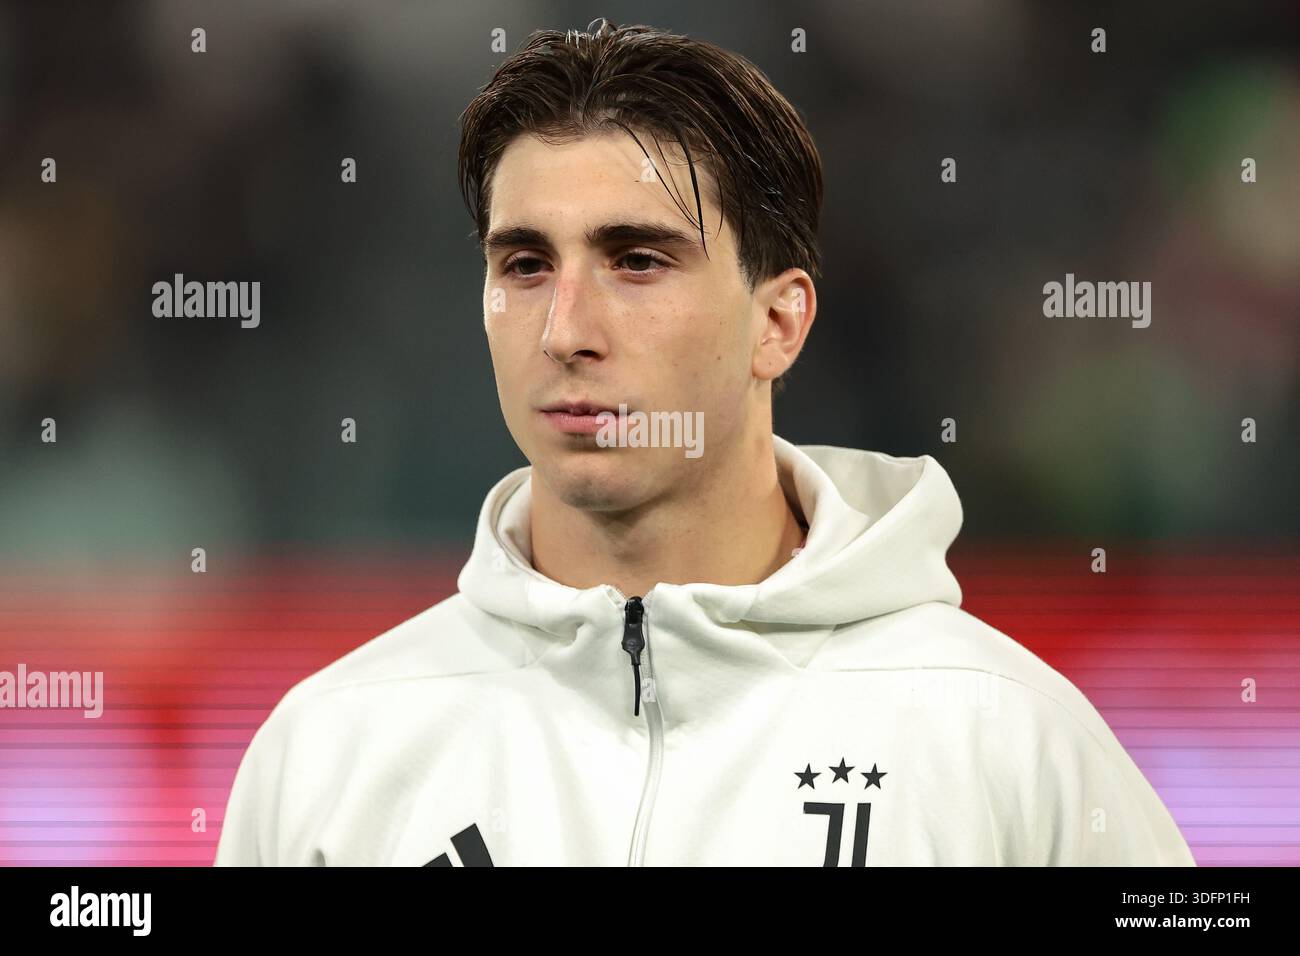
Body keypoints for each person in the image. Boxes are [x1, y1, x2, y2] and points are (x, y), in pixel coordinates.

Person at [215, 19, 1195, 866]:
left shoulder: (1006, 738)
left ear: (779, 321)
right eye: (523, 262)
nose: (564, 329)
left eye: (637, 260)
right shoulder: (328, 751)